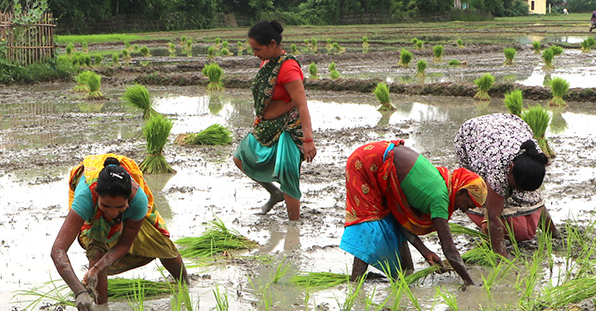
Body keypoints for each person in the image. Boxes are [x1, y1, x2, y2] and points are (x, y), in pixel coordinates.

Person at [50, 154, 188, 311]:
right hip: (90, 192)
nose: (112, 213)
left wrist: (96, 269)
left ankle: (185, 285)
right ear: (97, 196)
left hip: (129, 205)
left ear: (128, 200)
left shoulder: (138, 200)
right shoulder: (86, 197)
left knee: (160, 243)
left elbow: (124, 244)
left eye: (119, 207)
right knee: (96, 251)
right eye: (106, 206)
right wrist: (80, 292)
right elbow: (58, 250)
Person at [341, 140, 485, 284]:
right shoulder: (439, 198)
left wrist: (426, 252)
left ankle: (404, 277)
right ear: (461, 192)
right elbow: (449, 248)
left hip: (381, 156)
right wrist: (469, 282)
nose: (465, 209)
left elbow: (401, 221)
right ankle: (355, 286)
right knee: (370, 222)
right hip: (365, 163)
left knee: (393, 222)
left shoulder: (442, 182)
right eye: (468, 204)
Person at [232, 20, 318, 219]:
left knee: (288, 173)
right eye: (253, 49)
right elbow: (266, 97)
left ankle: (293, 228)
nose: (255, 54)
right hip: (267, 126)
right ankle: (274, 192)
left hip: (288, 128)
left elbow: (302, 104)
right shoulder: (268, 62)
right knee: (240, 157)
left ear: (272, 44)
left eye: (257, 49)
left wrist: (308, 140)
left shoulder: (288, 69)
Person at [454, 113, 557, 257]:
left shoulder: (536, 158)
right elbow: (493, 217)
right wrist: (502, 258)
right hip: (473, 133)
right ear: (510, 168)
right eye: (516, 186)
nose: (518, 191)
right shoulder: (498, 168)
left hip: (510, 126)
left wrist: (554, 234)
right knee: (482, 190)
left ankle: (552, 232)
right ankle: (486, 233)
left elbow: (538, 199)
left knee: (528, 196)